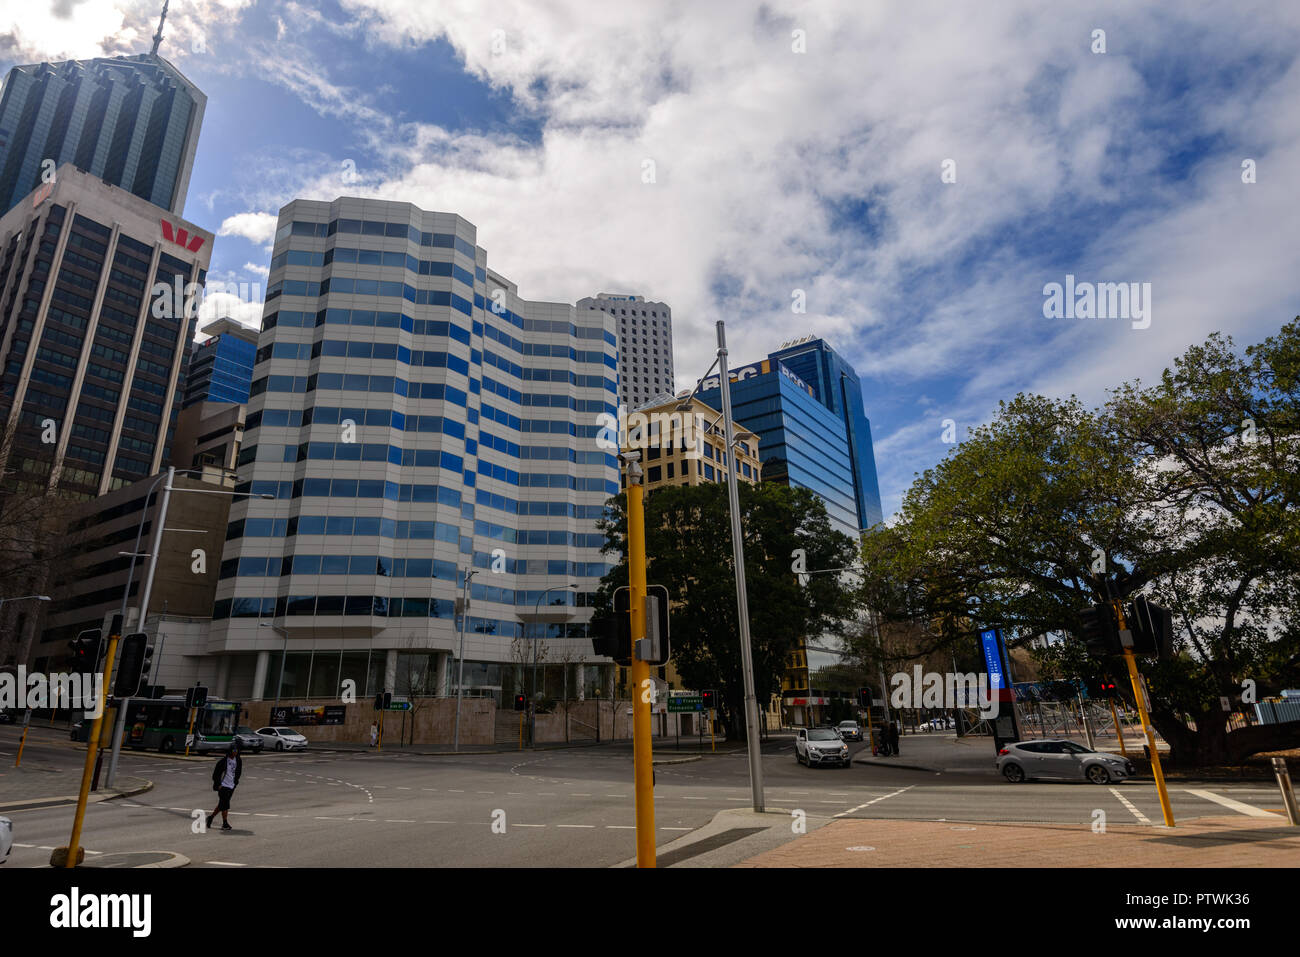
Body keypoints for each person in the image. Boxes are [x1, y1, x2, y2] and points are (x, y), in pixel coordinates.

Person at [207, 744, 242, 831]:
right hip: (223, 786)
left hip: (232, 785)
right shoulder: (223, 762)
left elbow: (238, 771)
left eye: (236, 751)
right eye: (234, 751)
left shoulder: (238, 760)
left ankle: (210, 818)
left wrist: (236, 781)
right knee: (225, 804)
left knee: (222, 804)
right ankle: (225, 823)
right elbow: (215, 775)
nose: (235, 752)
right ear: (230, 751)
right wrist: (218, 784)